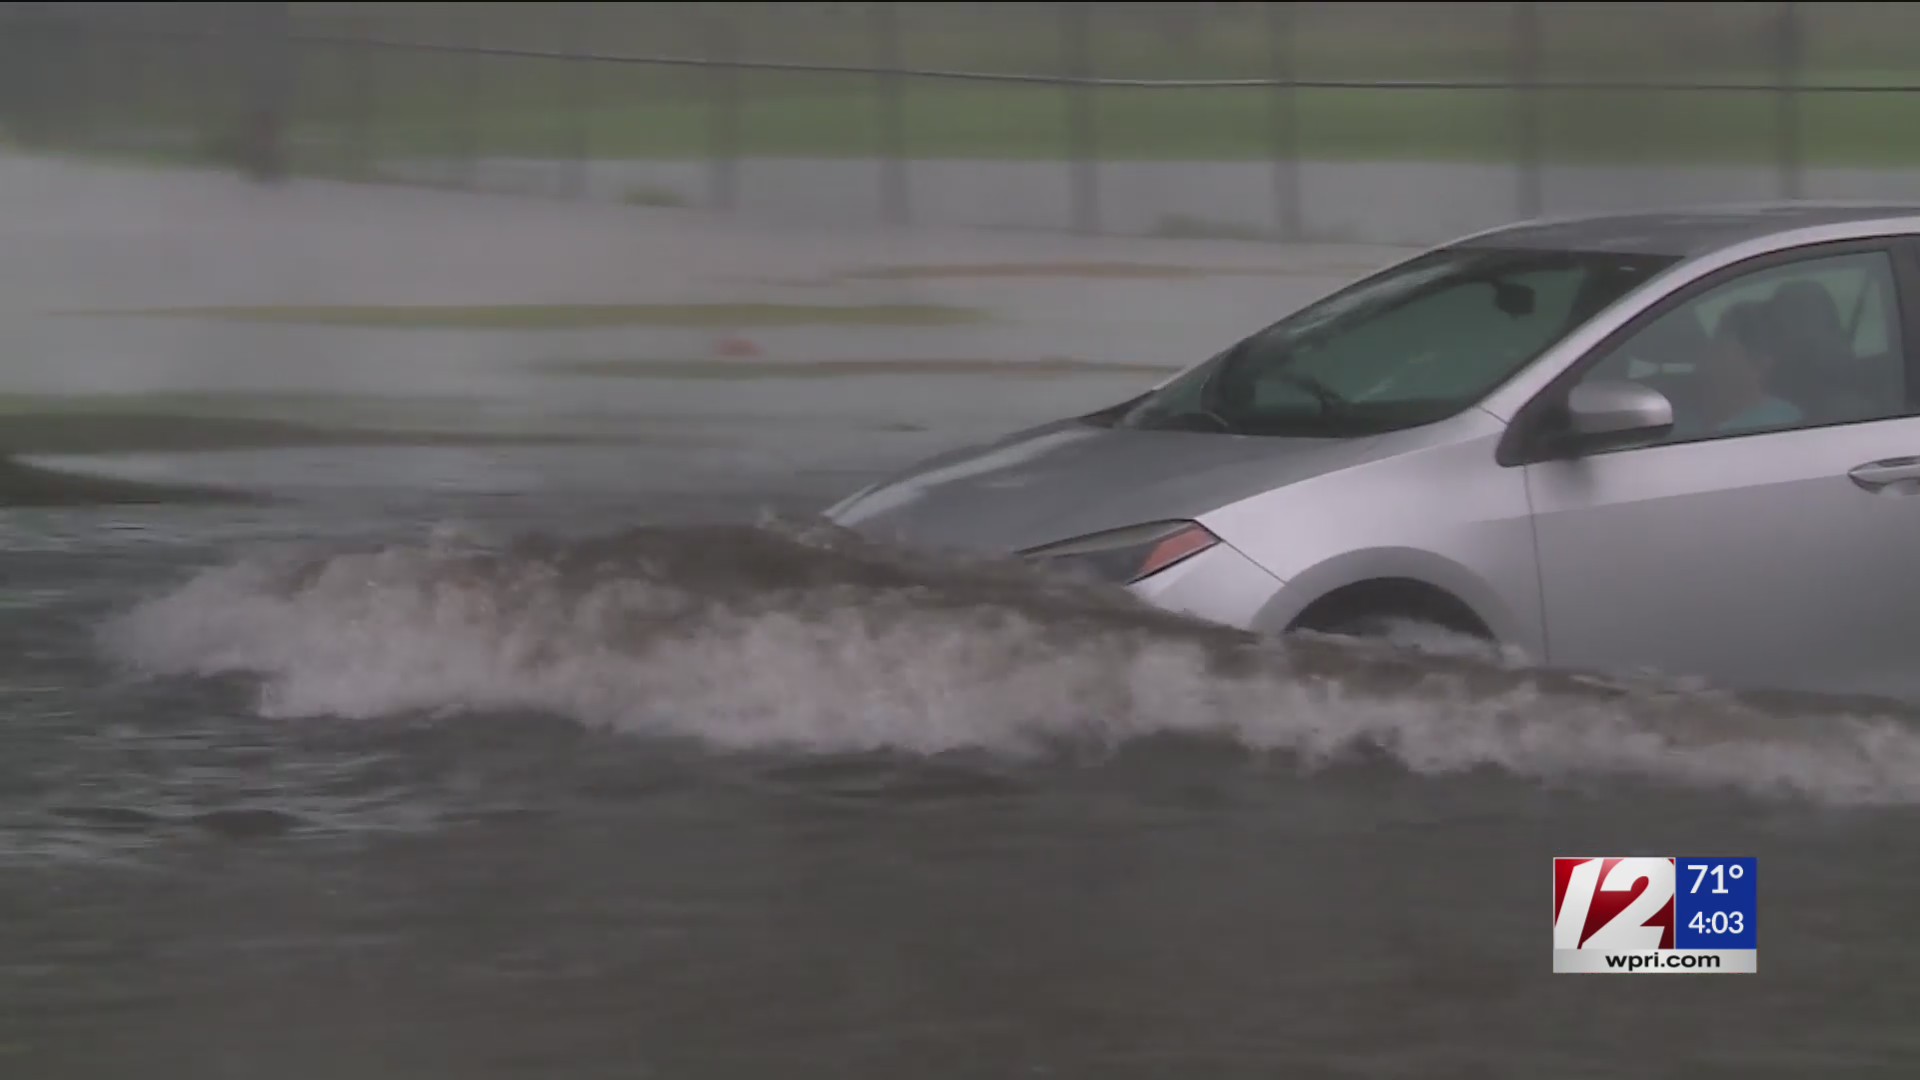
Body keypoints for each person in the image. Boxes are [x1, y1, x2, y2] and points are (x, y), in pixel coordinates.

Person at [1672, 301, 1803, 438]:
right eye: (1713, 346)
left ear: (1759, 363)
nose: (1707, 362)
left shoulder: (1780, 426)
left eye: (1721, 352)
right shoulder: (1681, 423)